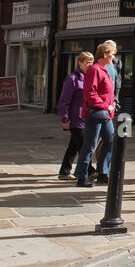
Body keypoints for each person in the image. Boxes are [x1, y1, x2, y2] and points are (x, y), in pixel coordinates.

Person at [74, 41, 117, 188]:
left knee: (110, 140)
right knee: (90, 145)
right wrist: (106, 106)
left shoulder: (104, 69)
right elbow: (90, 93)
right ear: (104, 54)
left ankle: (103, 172)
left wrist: (111, 105)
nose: (113, 56)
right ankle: (82, 176)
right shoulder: (94, 70)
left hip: (106, 114)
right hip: (96, 113)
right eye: (112, 53)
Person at [56, 51, 90, 180]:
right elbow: (64, 100)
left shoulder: (88, 78)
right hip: (75, 118)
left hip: (84, 117)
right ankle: (90, 171)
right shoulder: (72, 79)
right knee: (83, 146)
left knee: (74, 145)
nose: (89, 65)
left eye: (91, 63)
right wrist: (65, 118)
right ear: (80, 62)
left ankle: (64, 171)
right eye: (87, 62)